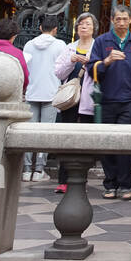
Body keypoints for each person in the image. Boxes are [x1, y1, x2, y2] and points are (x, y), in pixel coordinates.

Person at [86, 5, 131, 201]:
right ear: (112, 20)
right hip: (107, 99)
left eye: (125, 19)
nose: (121, 23)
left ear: (130, 20)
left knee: (125, 143)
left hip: (130, 100)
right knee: (107, 143)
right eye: (118, 19)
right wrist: (106, 62)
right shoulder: (102, 41)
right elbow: (91, 69)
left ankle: (125, 184)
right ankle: (110, 183)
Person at [53, 13, 99, 191]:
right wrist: (71, 62)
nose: (83, 26)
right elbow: (58, 73)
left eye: (87, 24)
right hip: (70, 99)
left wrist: (92, 65)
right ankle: (63, 180)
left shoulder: (98, 47)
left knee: (86, 140)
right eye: (80, 24)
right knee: (67, 138)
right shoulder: (69, 48)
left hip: (88, 99)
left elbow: (103, 72)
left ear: (94, 28)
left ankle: (82, 179)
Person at [22, 15, 68, 181]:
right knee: (45, 132)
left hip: (31, 91)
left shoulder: (28, 44)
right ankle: (39, 170)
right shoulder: (60, 45)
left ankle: (27, 169)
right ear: (55, 29)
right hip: (51, 92)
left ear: (41, 28)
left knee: (29, 132)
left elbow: (24, 68)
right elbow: (64, 68)